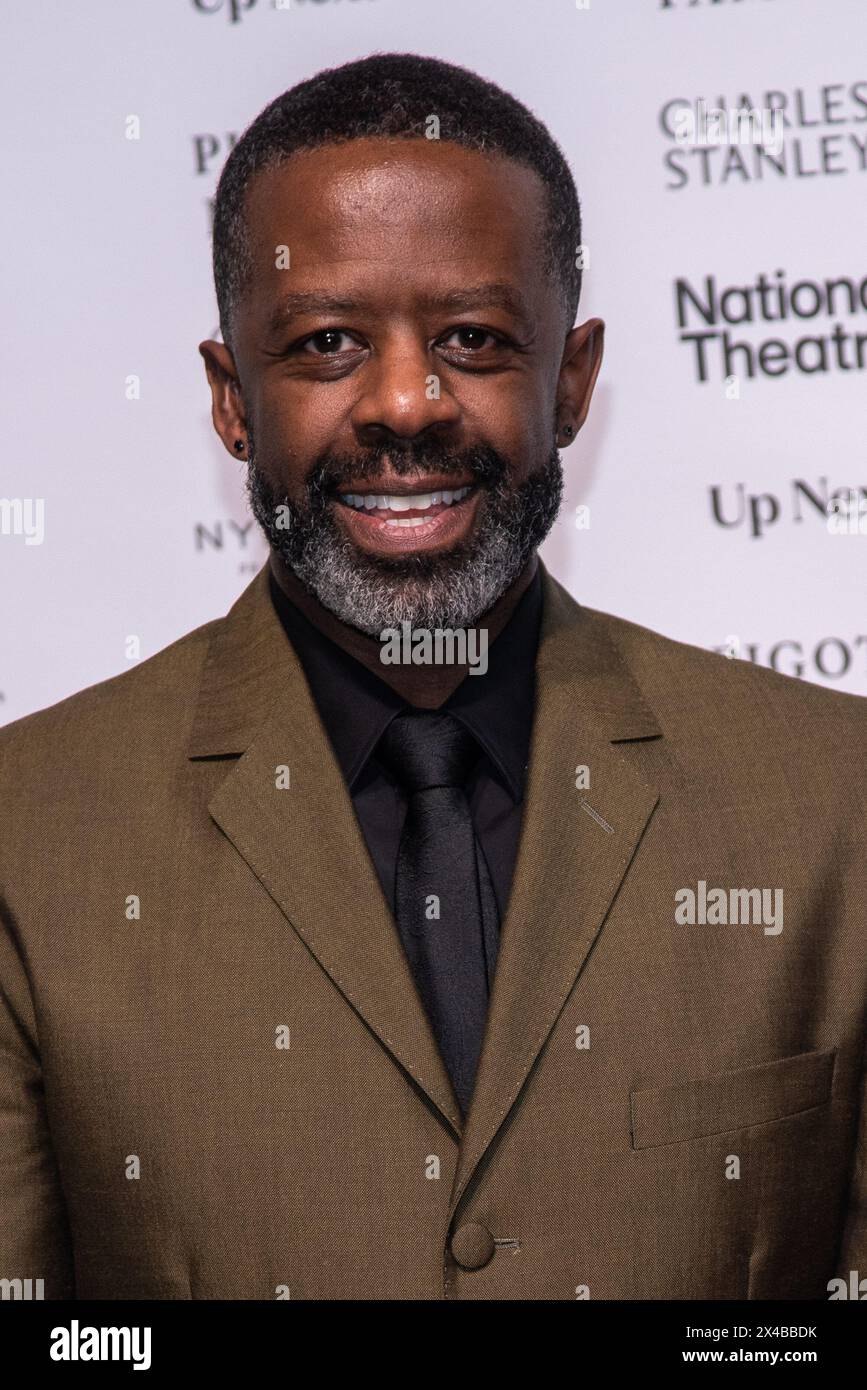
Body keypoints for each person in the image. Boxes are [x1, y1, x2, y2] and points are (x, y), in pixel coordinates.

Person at [1, 53, 864, 1302]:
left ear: (570, 381)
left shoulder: (833, 802)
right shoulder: (31, 837)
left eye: (472, 337)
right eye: (329, 343)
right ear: (231, 397)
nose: (407, 404)